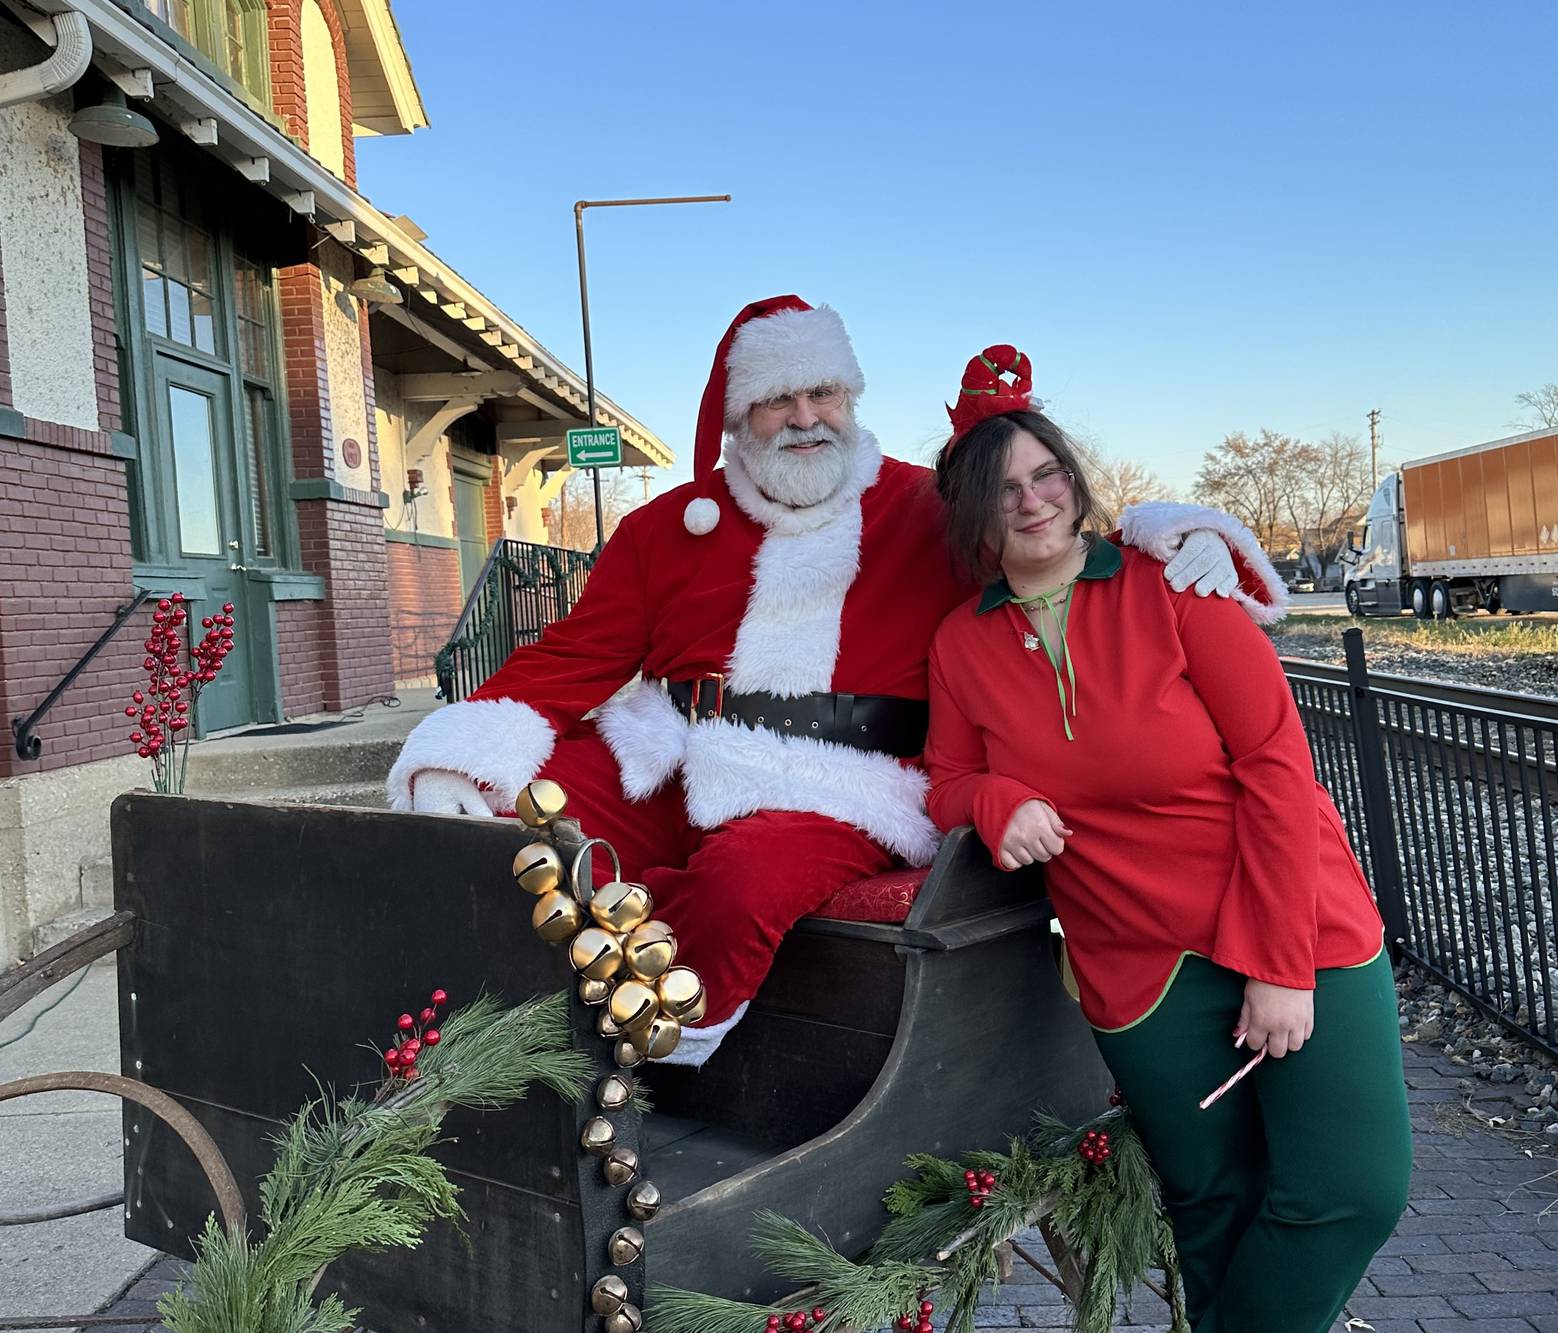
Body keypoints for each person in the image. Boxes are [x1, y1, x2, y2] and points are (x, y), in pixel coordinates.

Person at [387, 299, 1246, 1065]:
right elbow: (576, 656)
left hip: (844, 782)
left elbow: (1047, 538)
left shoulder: (928, 508)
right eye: (777, 400)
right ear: (739, 417)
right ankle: (491, 1042)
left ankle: (638, 1058)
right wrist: (460, 757)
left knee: (739, 888)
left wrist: (1169, 537)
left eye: (823, 394)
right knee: (514, 828)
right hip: (675, 751)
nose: (805, 418)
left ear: (850, 398)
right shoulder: (667, 530)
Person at [923, 346, 1412, 1333]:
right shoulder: (962, 646)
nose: (1033, 497)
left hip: (1296, 923)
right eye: (1004, 483)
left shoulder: (1173, 589)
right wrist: (991, 793)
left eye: (1048, 472)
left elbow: (1273, 771)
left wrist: (1278, 962)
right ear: (974, 512)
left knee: (1352, 1183)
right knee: (1216, 1204)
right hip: (1130, 960)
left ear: (1076, 484)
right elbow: (941, 780)